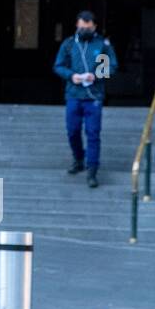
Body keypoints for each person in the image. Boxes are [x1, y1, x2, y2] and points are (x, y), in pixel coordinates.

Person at [52, 10, 119, 189]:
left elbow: (111, 65)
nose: (84, 31)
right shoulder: (68, 44)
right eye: (81, 28)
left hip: (94, 96)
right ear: (77, 26)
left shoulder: (102, 44)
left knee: (93, 133)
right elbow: (58, 66)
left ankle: (92, 170)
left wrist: (95, 76)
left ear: (94, 27)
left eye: (88, 28)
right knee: (72, 130)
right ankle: (78, 158)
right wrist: (71, 76)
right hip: (74, 93)